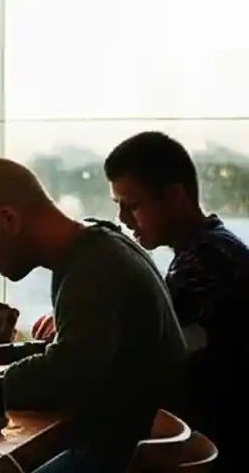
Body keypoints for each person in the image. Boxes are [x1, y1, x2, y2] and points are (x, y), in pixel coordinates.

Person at [0, 157, 185, 473]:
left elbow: (58, 379)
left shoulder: (92, 272)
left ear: (9, 219)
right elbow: (59, 355)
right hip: (124, 447)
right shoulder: (97, 246)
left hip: (113, 458)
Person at [101, 131, 248, 471]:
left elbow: (155, 353)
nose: (123, 219)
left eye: (133, 205)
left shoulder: (205, 266)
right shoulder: (214, 249)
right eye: (118, 206)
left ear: (174, 196)